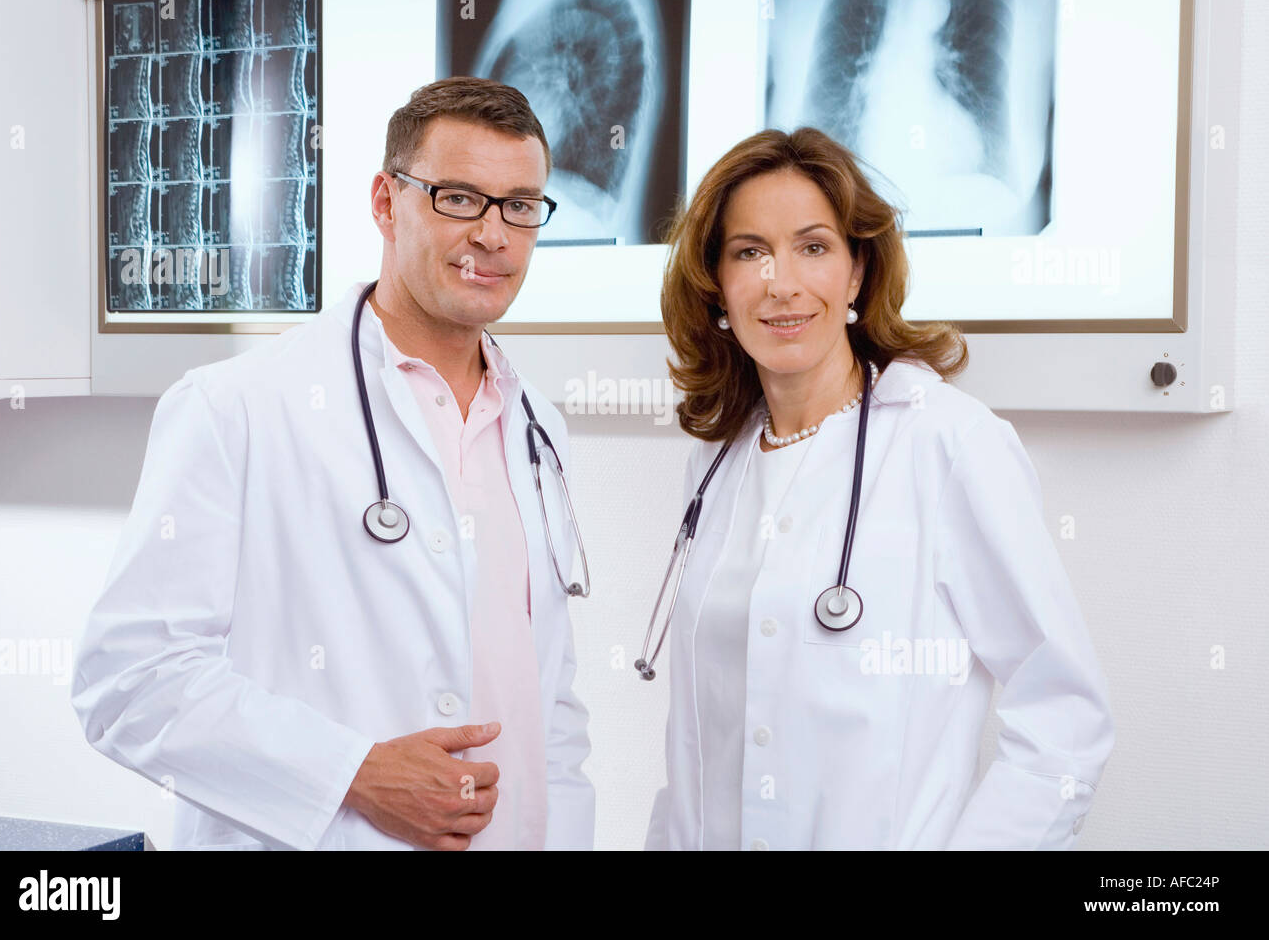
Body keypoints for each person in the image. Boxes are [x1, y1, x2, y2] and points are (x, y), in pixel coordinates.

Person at [71, 76, 594, 851]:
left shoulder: (536, 428)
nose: (494, 234)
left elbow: (549, 701)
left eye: (520, 205)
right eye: (458, 197)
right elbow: (129, 679)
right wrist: (353, 771)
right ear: (386, 201)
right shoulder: (238, 406)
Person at [644, 126, 1115, 850]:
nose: (781, 282)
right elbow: (696, 749)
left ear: (858, 271)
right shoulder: (715, 463)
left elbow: (1064, 717)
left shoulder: (948, 443)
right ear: (718, 284)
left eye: (813, 246)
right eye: (750, 252)